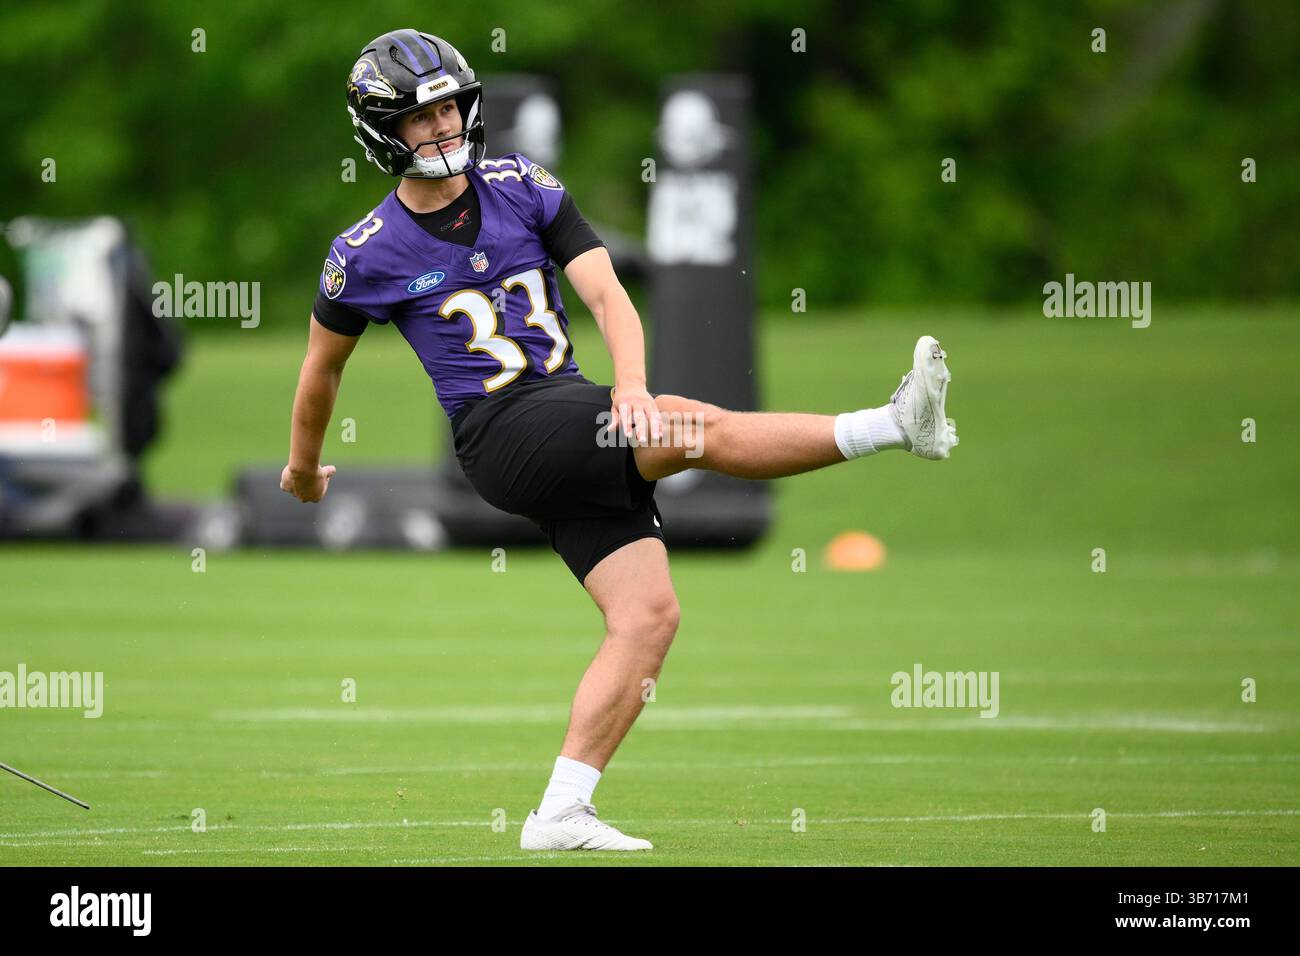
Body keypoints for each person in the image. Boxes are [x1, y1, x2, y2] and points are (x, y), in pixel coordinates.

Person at [281, 29, 958, 852]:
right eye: (422, 118)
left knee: (648, 616)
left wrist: (630, 386)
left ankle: (560, 811)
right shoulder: (365, 252)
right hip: (502, 433)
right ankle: (894, 424)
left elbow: (607, 296)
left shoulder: (522, 184)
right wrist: (305, 469)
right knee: (693, 429)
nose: (445, 126)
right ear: (383, 130)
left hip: (567, 407)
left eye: (451, 107)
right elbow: (321, 375)